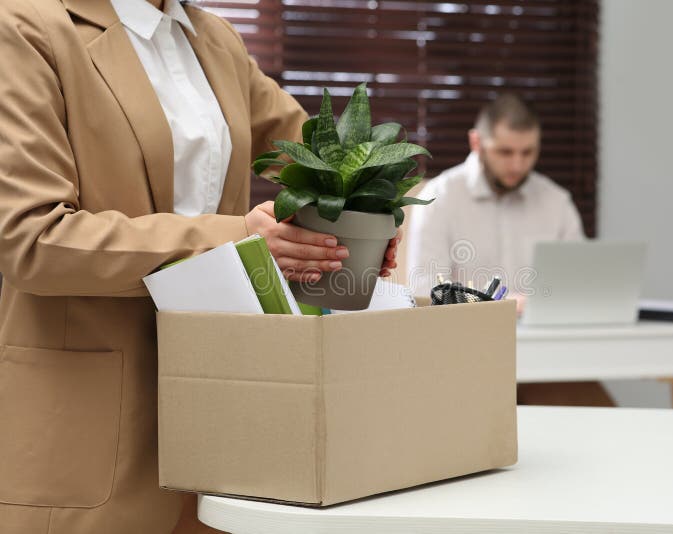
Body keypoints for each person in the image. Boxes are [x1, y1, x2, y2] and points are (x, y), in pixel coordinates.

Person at [0, 1, 399, 533]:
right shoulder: (27, 25)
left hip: (220, 395)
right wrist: (235, 240)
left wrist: (365, 217)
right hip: (86, 409)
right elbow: (31, 240)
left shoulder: (214, 39)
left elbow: (318, 157)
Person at [406, 93, 614, 408]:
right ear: (476, 142)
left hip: (547, 361)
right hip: (465, 357)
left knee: (602, 418)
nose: (518, 164)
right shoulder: (441, 198)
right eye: (505, 152)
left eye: (528, 152)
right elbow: (424, 292)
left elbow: (579, 289)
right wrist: (499, 303)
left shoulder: (555, 202)